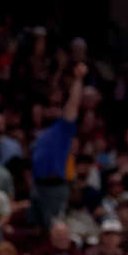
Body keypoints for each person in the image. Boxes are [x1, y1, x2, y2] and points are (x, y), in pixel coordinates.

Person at [31, 65, 86, 228]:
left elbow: (73, 105)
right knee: (36, 227)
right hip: (38, 186)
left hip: (54, 188)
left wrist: (78, 79)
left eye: (56, 107)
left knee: (54, 227)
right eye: (49, 106)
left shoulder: (62, 129)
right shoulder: (38, 133)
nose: (51, 110)